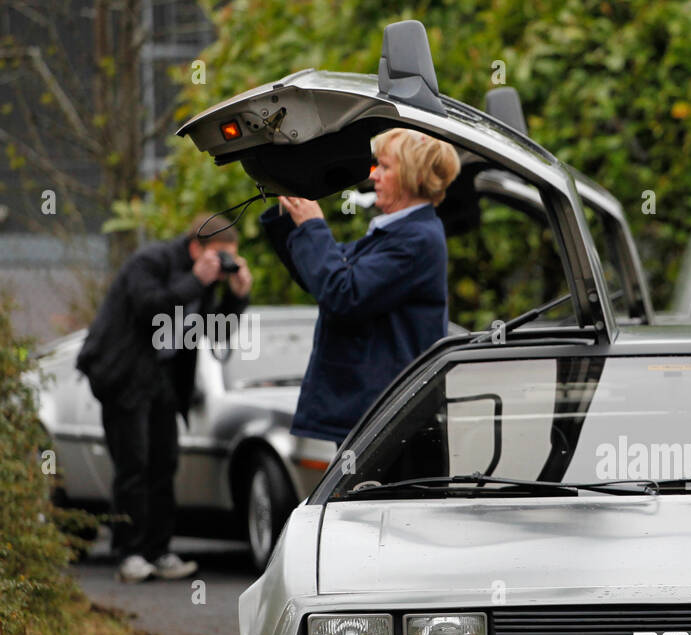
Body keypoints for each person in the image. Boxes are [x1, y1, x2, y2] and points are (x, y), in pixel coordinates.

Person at [76, 214, 252, 583]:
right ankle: (130, 552)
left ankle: (158, 550)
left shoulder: (203, 279)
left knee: (164, 463)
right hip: (123, 375)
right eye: (219, 257)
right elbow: (149, 309)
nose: (221, 265)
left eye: (228, 259)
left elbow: (210, 329)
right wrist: (196, 281)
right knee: (133, 465)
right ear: (196, 247)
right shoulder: (150, 262)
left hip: (163, 378)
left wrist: (237, 296)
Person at [260, 127, 461, 449]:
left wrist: (312, 225)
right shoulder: (399, 233)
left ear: (411, 175)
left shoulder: (416, 238)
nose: (374, 176)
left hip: (392, 422)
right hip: (380, 417)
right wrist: (292, 213)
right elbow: (323, 278)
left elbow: (343, 294)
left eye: (384, 167)